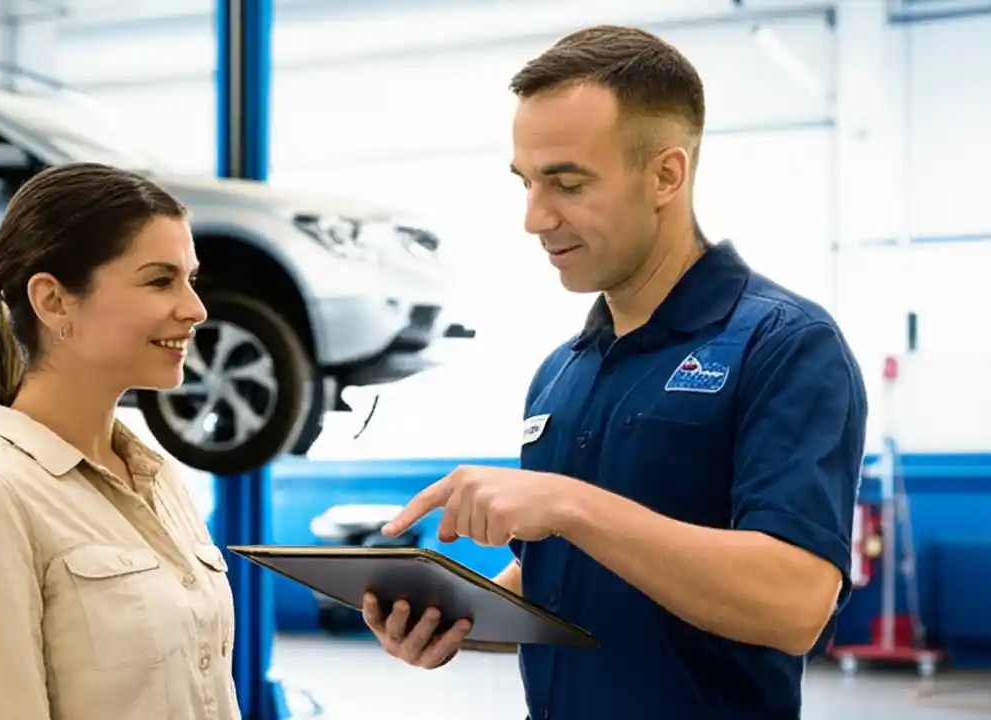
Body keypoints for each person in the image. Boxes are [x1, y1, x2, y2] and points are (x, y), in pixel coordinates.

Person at [363, 25, 867, 719]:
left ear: (666, 175)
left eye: (567, 183)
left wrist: (569, 503)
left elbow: (794, 604)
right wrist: (452, 616)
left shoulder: (785, 345)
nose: (535, 218)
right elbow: (565, 582)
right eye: (528, 182)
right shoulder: (561, 373)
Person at [0, 162, 240, 720]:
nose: (195, 309)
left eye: (190, 280)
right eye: (160, 280)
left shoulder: (159, 480)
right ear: (54, 301)